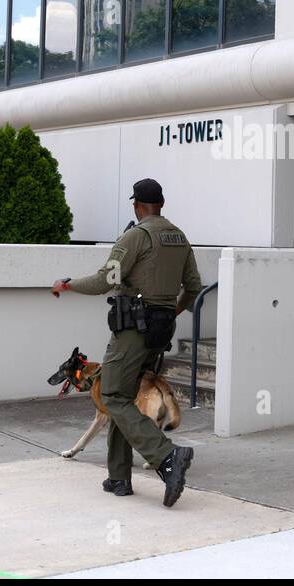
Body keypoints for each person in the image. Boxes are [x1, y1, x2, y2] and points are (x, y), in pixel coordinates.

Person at [51, 178, 201, 507]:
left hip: (133, 329)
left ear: (136, 205)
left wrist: (69, 284)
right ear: (161, 203)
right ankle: (118, 476)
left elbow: (105, 279)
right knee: (127, 395)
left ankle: (168, 456)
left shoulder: (137, 235)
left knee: (112, 395)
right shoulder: (180, 237)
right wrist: (170, 311)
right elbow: (193, 287)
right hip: (160, 330)